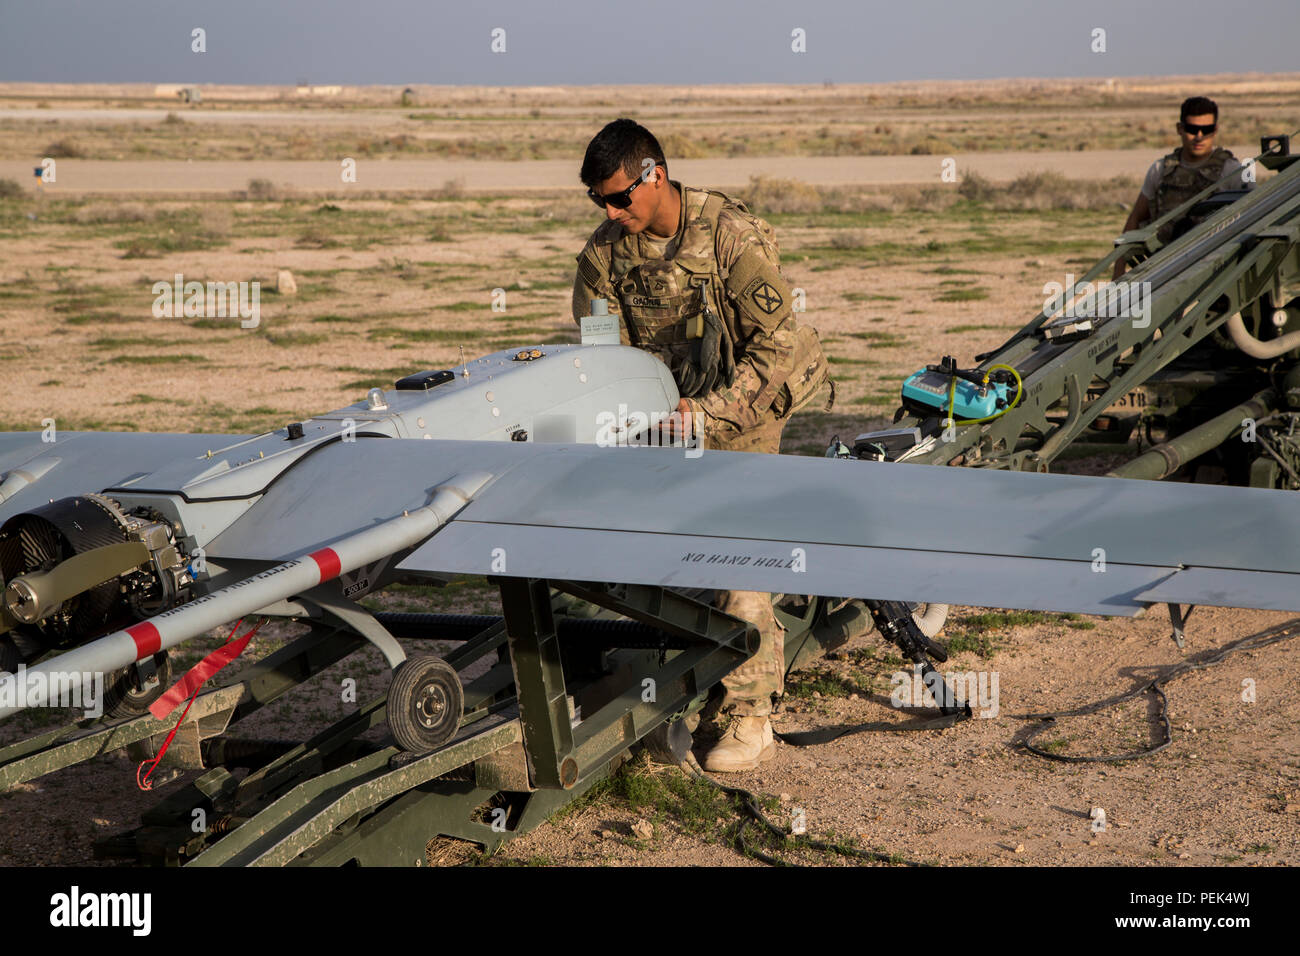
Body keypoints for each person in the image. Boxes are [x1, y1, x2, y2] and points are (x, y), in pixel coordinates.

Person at [572, 119, 832, 772]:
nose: (610, 212)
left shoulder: (727, 234)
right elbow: (602, 361)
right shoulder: (604, 258)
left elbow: (776, 346)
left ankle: (752, 714)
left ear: (653, 176)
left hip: (747, 405)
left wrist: (708, 414)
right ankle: (677, 682)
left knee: (736, 547)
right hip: (668, 416)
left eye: (619, 197)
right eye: (599, 201)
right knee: (657, 548)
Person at [1115, 96, 1251, 278]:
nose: (1199, 136)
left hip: (1216, 269)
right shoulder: (1161, 170)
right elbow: (1135, 219)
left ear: (1215, 130)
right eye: (1192, 129)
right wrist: (1118, 273)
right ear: (1180, 129)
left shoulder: (1233, 171)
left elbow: (1254, 217)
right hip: (1164, 265)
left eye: (1207, 129)